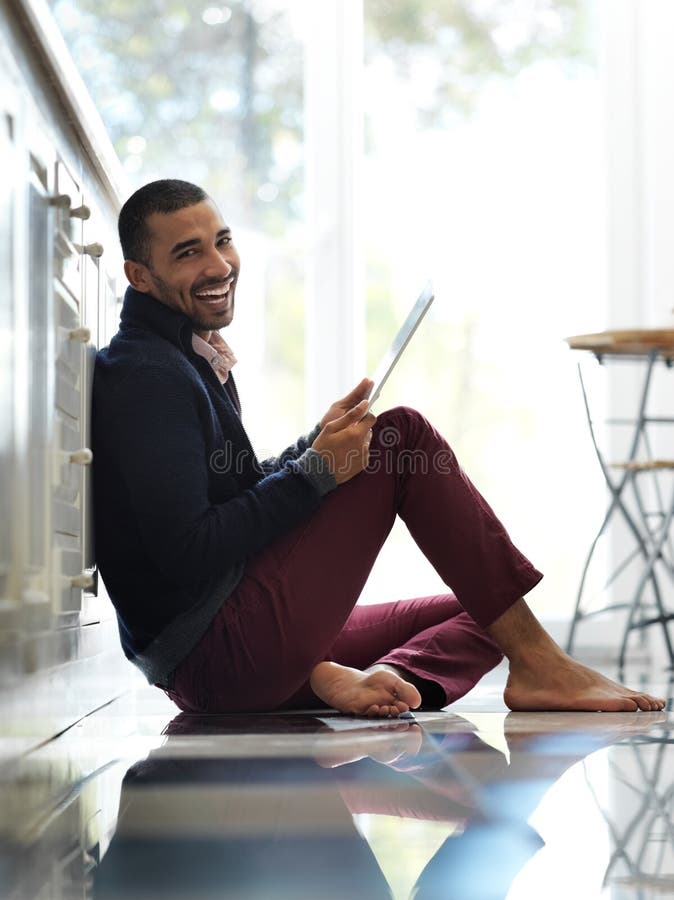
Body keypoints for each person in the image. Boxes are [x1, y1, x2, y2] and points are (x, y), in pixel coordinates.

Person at [92, 178, 665, 718]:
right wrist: (314, 473)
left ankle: (350, 677)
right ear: (139, 276)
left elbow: (230, 493)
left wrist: (309, 449)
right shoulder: (148, 376)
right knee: (400, 436)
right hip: (216, 654)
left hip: (233, 642)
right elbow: (189, 550)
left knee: (488, 611)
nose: (219, 266)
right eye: (189, 253)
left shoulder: (184, 354)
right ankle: (540, 668)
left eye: (222, 241)